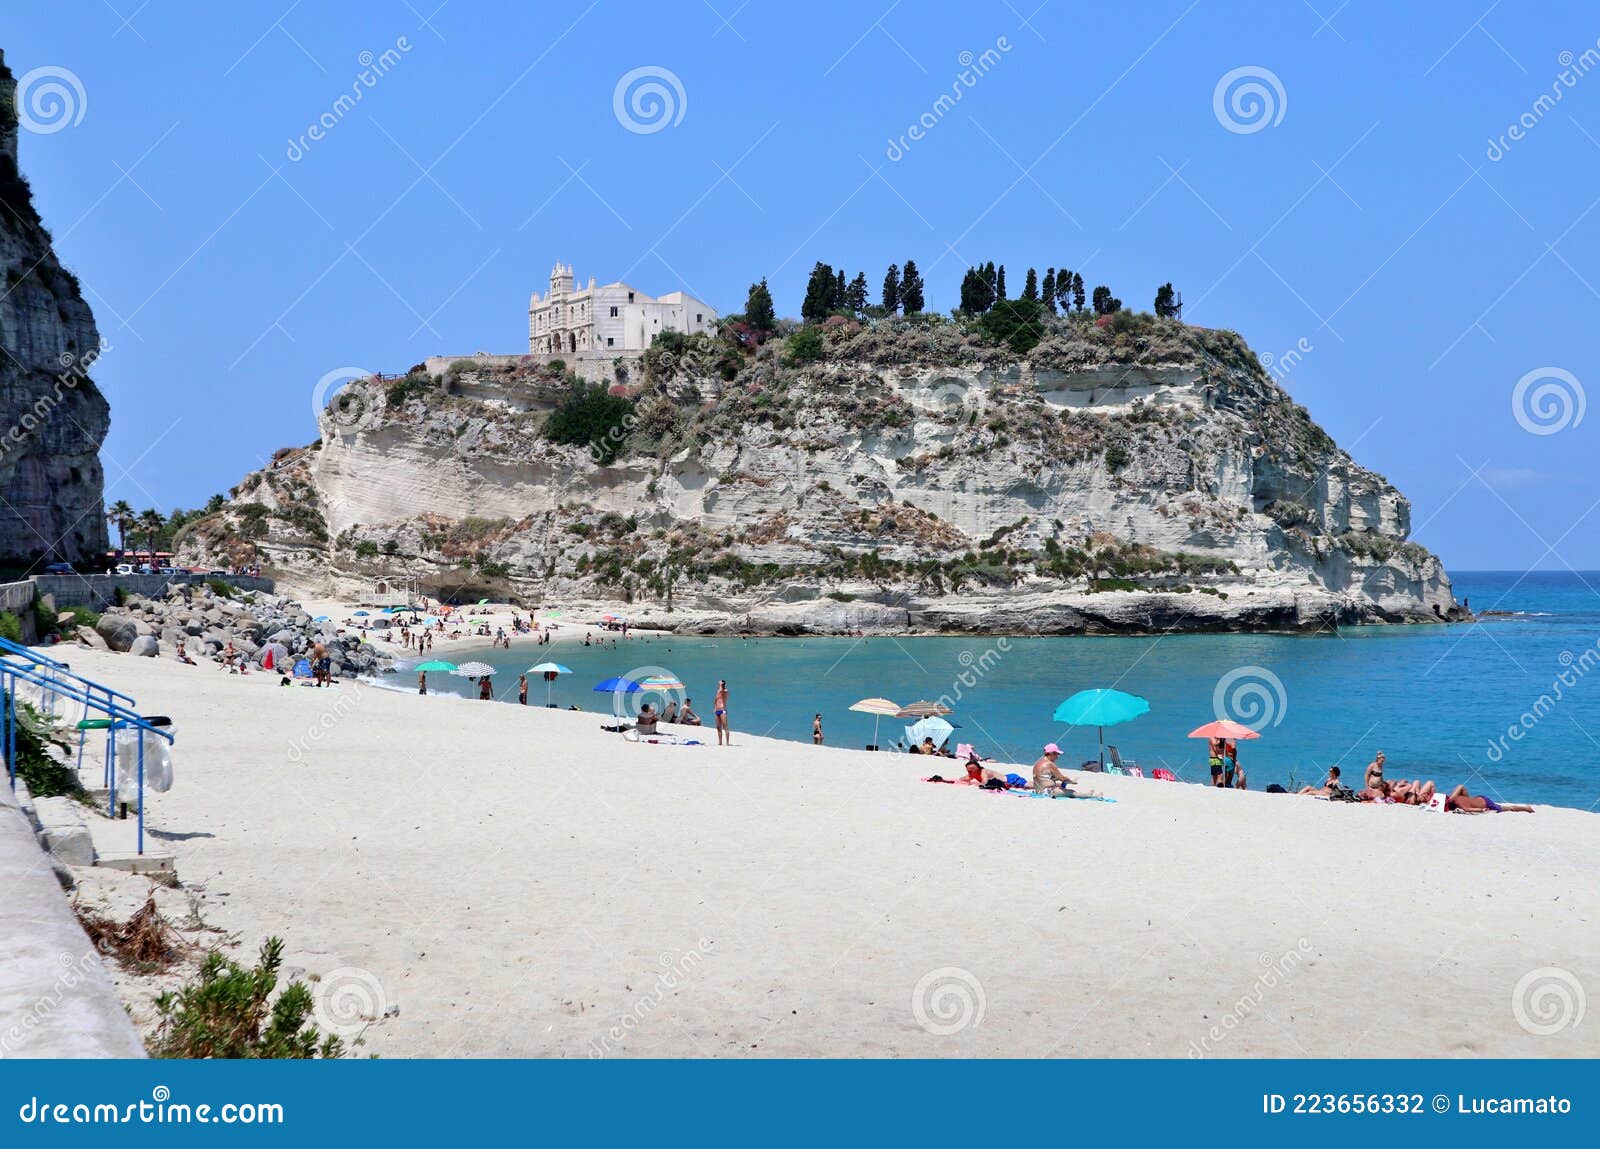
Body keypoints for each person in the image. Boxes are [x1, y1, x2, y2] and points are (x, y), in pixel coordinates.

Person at [1031, 743, 1098, 798]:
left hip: (1038, 791)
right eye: (1056, 755)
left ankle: (1088, 795)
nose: (1057, 757)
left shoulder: (1038, 763)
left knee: (1062, 788)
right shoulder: (1050, 764)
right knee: (1072, 792)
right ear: (1052, 753)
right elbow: (1062, 778)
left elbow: (1044, 777)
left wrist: (1063, 780)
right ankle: (1089, 796)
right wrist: (1072, 781)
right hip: (1047, 792)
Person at [1444, 785, 1533, 813]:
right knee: (1507, 808)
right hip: (1479, 798)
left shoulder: (1458, 802)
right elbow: (1461, 786)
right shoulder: (1458, 798)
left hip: (1487, 803)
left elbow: (1467, 809)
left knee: (1509, 808)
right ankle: (1525, 808)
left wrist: (1481, 810)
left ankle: (1526, 808)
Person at [714, 679, 730, 746]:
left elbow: (722, 691)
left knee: (725, 726)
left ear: (722, 683)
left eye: (720, 682)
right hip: (717, 710)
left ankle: (727, 743)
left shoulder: (725, 691)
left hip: (722, 710)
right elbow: (716, 699)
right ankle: (720, 742)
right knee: (718, 727)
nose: (719, 682)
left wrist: (721, 685)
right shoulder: (718, 691)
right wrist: (714, 708)